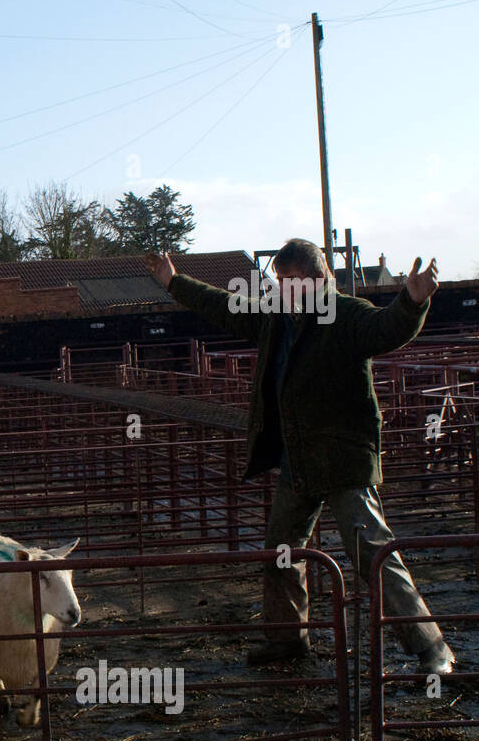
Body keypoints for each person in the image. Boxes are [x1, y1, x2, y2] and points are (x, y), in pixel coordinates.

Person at [143, 240, 454, 673]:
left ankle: (430, 646)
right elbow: (225, 305)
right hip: (299, 461)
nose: (284, 289)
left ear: (318, 278)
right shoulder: (276, 319)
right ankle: (287, 639)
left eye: (291, 281)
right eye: (281, 281)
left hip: (344, 462)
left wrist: (412, 302)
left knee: (371, 551)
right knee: (281, 551)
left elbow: (387, 329)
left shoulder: (345, 313)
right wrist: (174, 282)